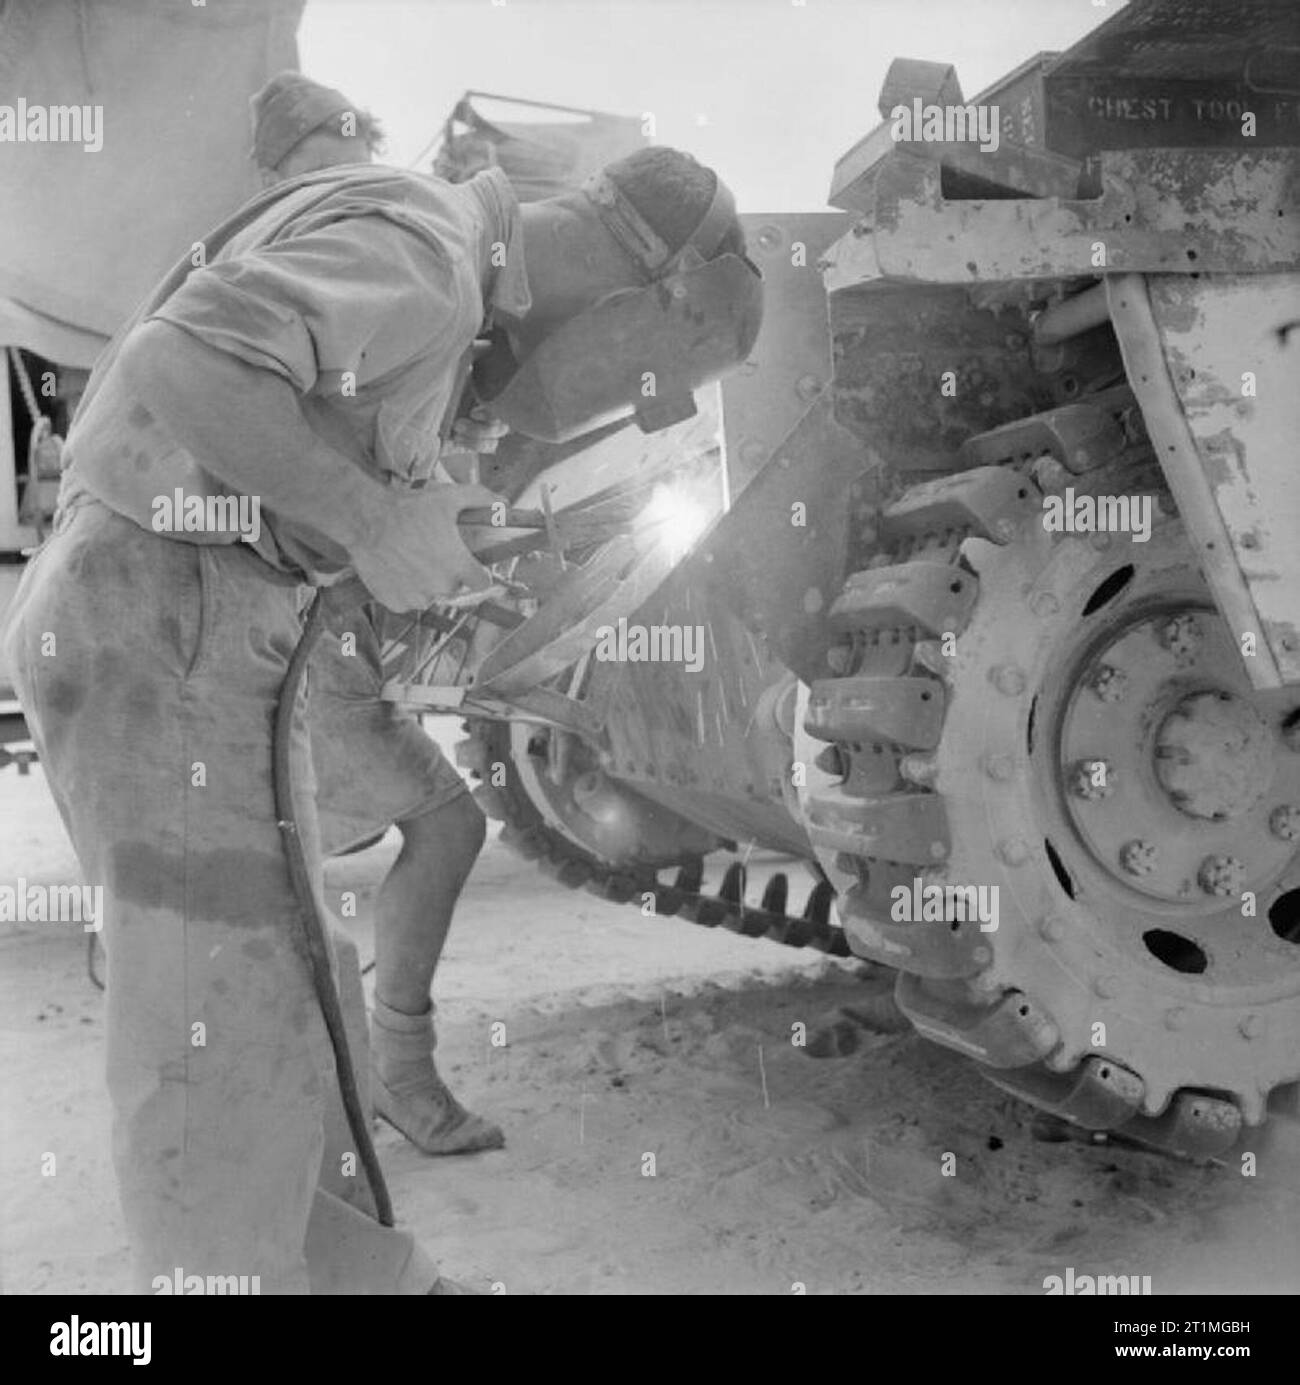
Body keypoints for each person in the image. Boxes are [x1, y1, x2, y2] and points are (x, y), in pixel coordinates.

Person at [1, 102, 747, 1291]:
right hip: (166, 615)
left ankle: (359, 1277)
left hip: (185, 619)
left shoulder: (429, 260)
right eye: (637, 367)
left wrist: (406, 532)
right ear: (631, 289)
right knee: (219, 1019)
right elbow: (180, 360)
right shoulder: (428, 252)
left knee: (294, 986)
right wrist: (369, 517)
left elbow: (282, 433)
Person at [252, 72, 504, 1158]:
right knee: (442, 823)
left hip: (297, 610)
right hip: (284, 613)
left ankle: (344, 1080)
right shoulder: (349, 245)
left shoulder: (301, 238)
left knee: (276, 862)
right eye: (330, 146)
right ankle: (389, 1070)